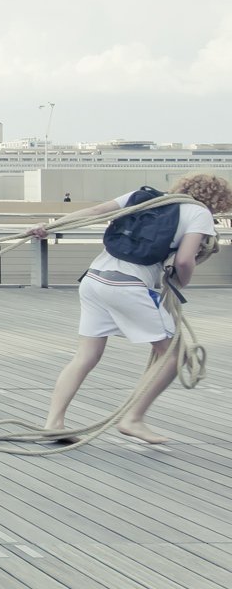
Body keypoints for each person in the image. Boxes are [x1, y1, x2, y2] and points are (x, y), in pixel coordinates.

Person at [32, 173, 230, 443]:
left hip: (94, 279)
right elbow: (184, 260)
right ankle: (132, 418)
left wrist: (49, 227)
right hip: (127, 286)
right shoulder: (199, 213)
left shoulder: (144, 197)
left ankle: (53, 422)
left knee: (85, 356)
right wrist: (178, 284)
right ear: (217, 200)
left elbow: (94, 211)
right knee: (174, 354)